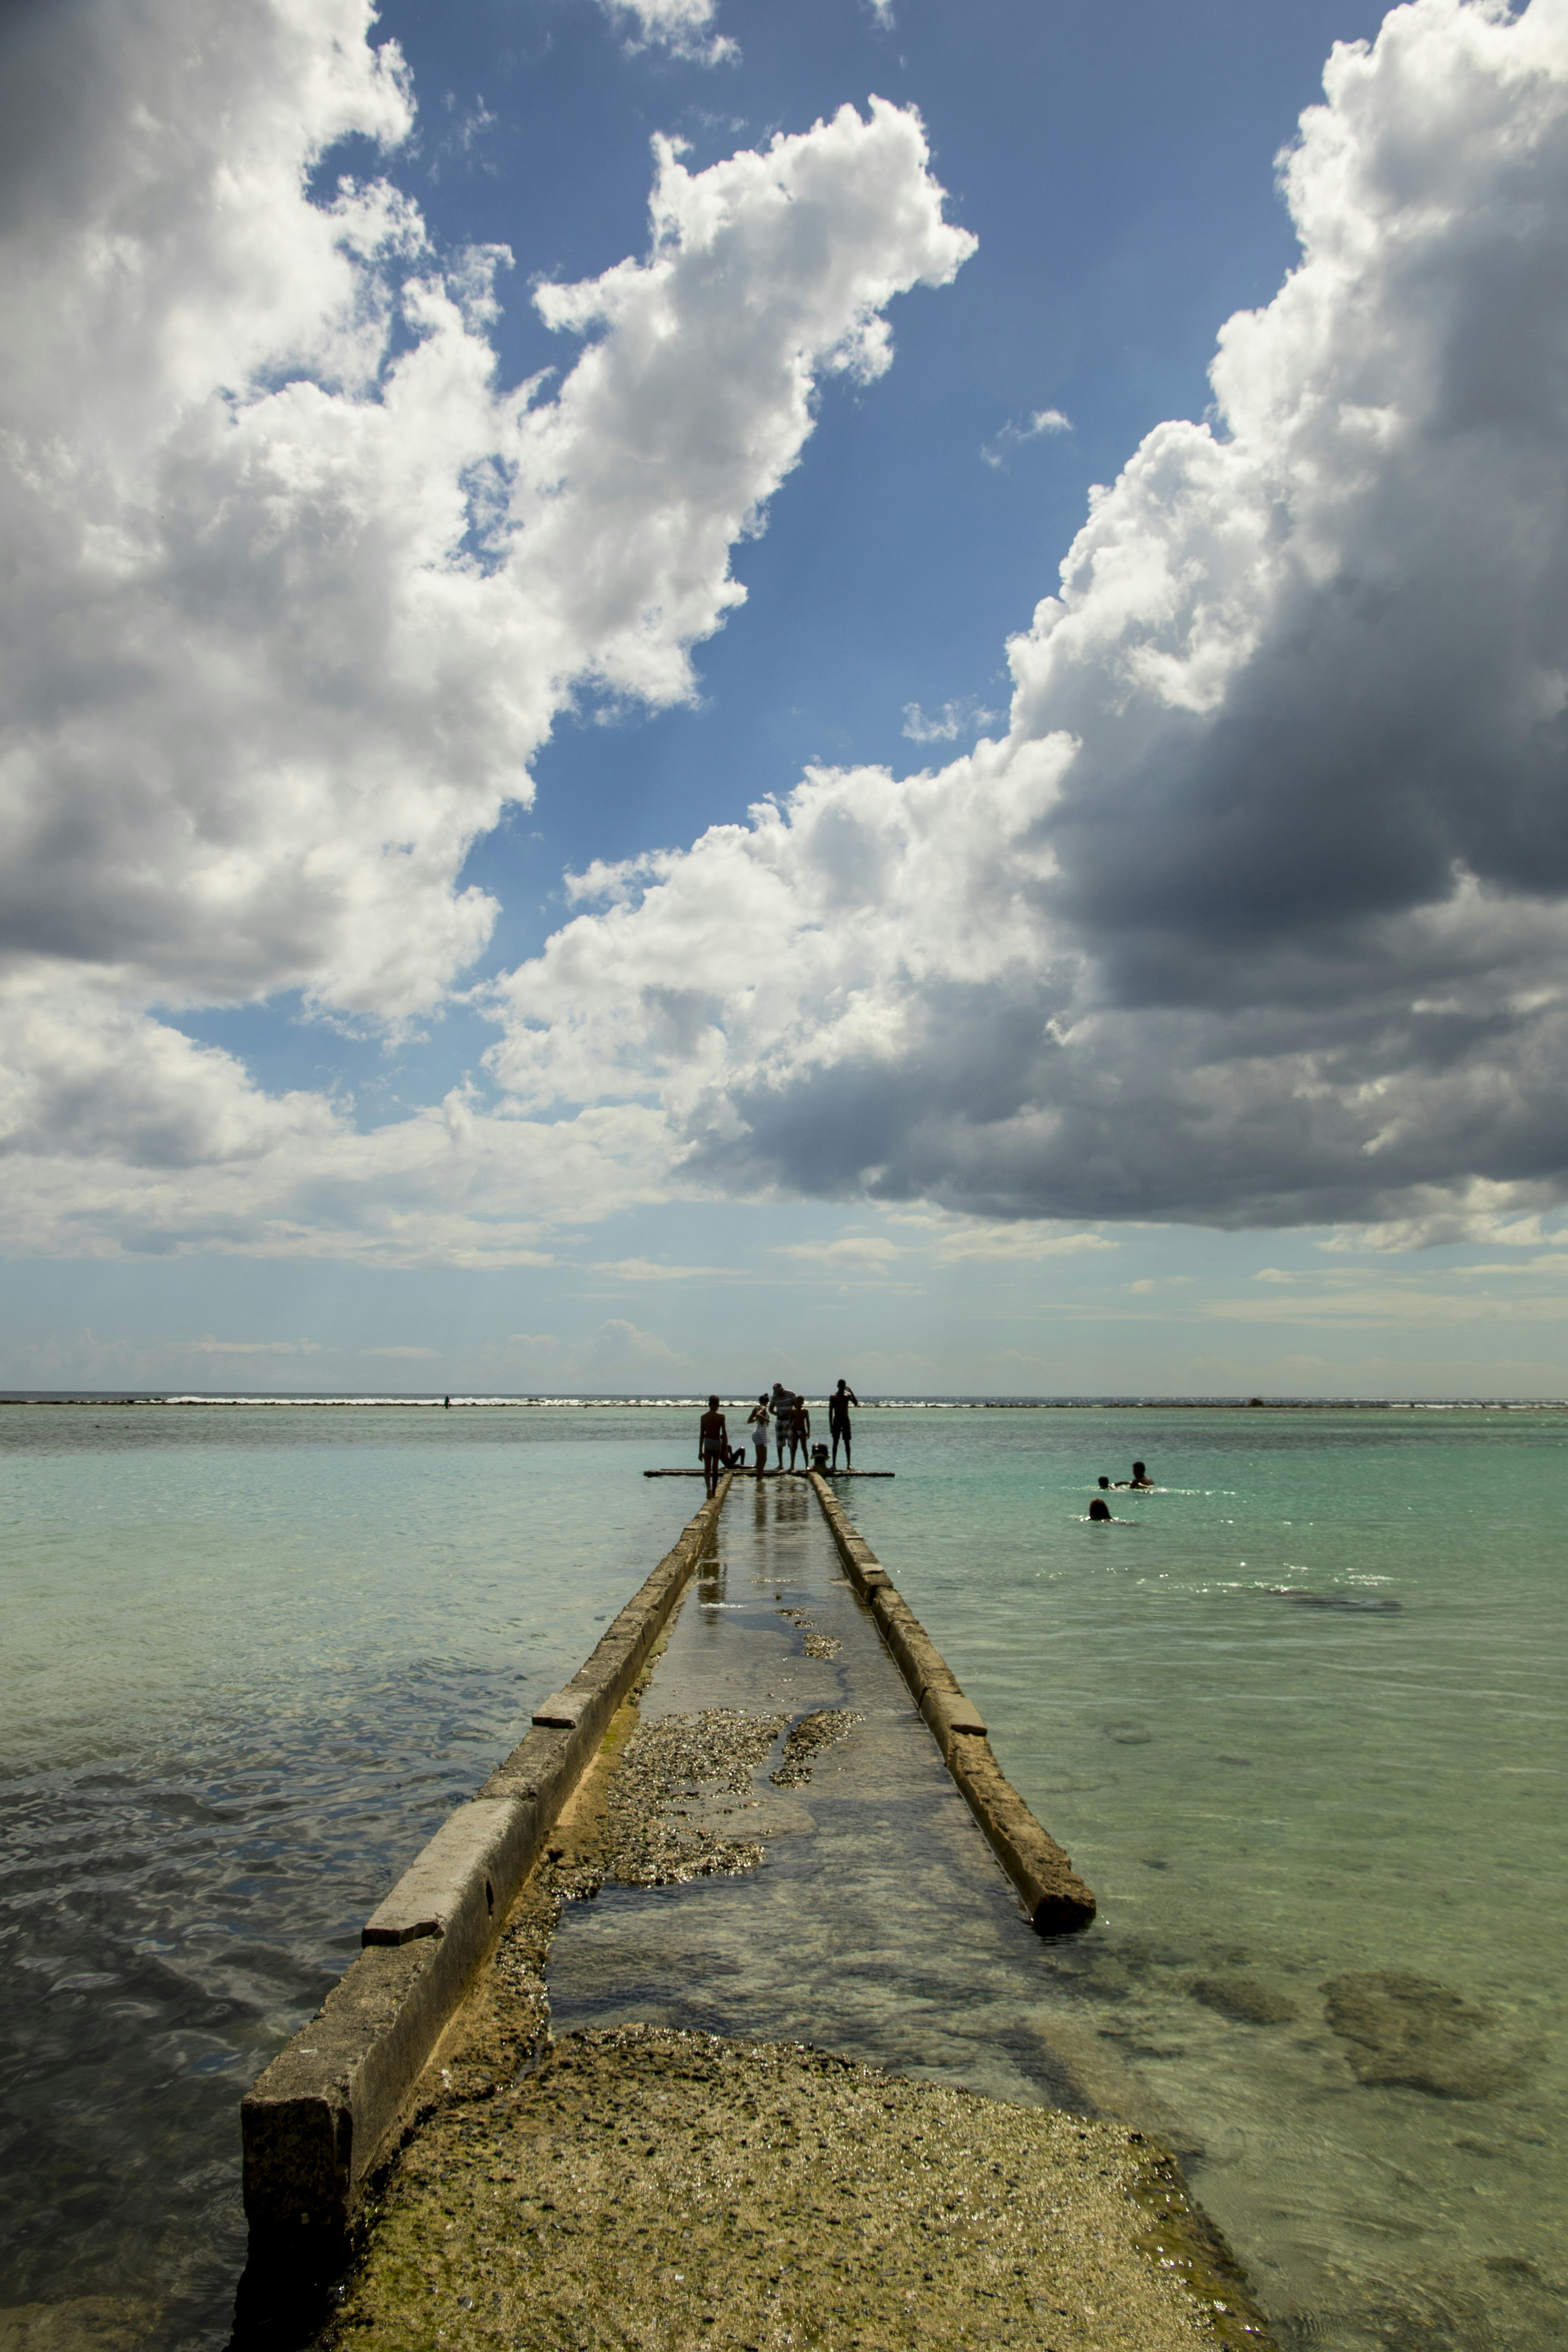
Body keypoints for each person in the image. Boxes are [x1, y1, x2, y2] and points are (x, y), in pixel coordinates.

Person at [698, 1394, 729, 1498]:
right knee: (715, 1469)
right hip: (717, 1443)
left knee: (707, 1469)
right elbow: (724, 1433)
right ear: (718, 1404)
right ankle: (715, 1492)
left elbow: (702, 1435)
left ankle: (709, 1488)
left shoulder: (704, 1417)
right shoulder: (721, 1416)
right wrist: (725, 1449)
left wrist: (700, 1451)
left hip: (708, 1443)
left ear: (709, 1404)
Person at [828, 1378, 859, 1470]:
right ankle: (834, 1465)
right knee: (835, 1442)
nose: (842, 1388)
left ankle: (849, 1464)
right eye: (841, 1386)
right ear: (838, 1386)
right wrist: (831, 1426)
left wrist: (851, 1392)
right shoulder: (833, 1397)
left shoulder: (847, 1396)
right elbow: (830, 1412)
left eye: (844, 1386)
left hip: (845, 1420)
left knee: (847, 1442)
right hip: (837, 1420)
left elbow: (856, 1404)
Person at [771, 1383, 794, 1470]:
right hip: (780, 1421)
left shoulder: (791, 1394)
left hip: (789, 1421)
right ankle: (781, 1465)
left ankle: (792, 1465)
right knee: (780, 1444)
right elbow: (771, 1409)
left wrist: (789, 1414)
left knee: (791, 1444)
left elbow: (796, 1407)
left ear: (782, 1389)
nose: (778, 1394)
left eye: (779, 1392)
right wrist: (775, 1413)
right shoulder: (775, 1397)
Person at [746, 1393, 770, 1474]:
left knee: (759, 1458)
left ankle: (758, 1477)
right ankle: (759, 1478)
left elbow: (749, 1421)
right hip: (761, 1434)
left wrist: (757, 1418)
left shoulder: (756, 1408)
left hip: (757, 1433)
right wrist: (766, 1420)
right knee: (764, 1459)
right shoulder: (763, 1408)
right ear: (767, 1402)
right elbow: (758, 1415)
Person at [788, 1393, 810, 1470]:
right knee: (794, 1449)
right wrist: (787, 1426)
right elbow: (791, 1421)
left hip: (802, 1431)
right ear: (796, 1403)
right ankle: (792, 1466)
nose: (799, 1403)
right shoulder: (793, 1411)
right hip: (795, 1431)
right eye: (798, 1402)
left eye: (801, 1402)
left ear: (803, 1403)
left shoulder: (805, 1411)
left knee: (804, 1448)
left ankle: (807, 1465)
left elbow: (807, 1422)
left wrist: (809, 1432)